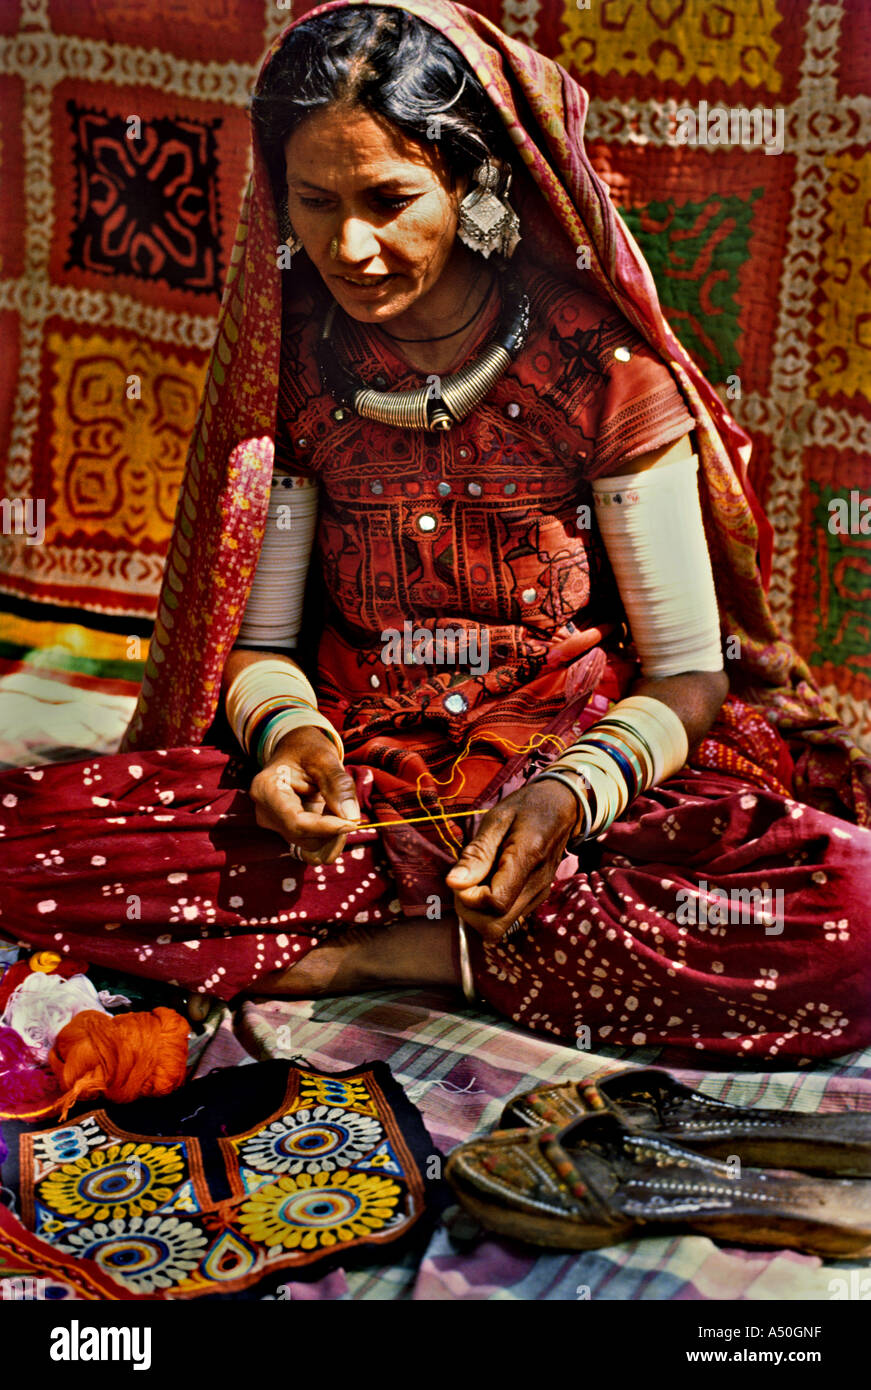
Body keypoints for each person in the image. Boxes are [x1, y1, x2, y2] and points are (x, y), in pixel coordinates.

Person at [1, 0, 869, 1060]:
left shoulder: (606, 374)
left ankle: (382, 953)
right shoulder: (297, 371)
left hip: (571, 786)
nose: (348, 246)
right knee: (27, 844)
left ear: (475, 184)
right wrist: (293, 743)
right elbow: (263, 647)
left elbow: (688, 678)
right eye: (313, 202)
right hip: (361, 790)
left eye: (390, 198)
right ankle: (458, 939)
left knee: (844, 913)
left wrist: (563, 799)